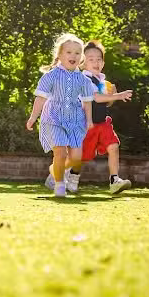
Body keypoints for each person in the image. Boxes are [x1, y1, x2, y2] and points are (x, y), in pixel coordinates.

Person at [26, 33, 94, 197]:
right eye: (69, 52)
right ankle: (59, 184)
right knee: (60, 153)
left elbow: (87, 102)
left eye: (77, 53)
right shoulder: (51, 76)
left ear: (81, 57)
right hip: (53, 118)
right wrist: (33, 117)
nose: (73, 56)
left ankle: (55, 168)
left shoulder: (84, 80)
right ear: (60, 55)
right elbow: (40, 98)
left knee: (76, 158)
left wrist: (89, 120)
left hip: (75, 119)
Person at [79, 40, 133, 193]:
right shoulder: (84, 80)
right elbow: (96, 98)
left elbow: (106, 103)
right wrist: (118, 95)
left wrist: (112, 96)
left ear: (103, 63)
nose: (96, 62)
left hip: (102, 123)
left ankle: (114, 180)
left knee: (113, 146)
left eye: (99, 59)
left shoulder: (102, 81)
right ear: (83, 63)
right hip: (86, 124)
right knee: (81, 156)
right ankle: (58, 174)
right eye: (91, 59)